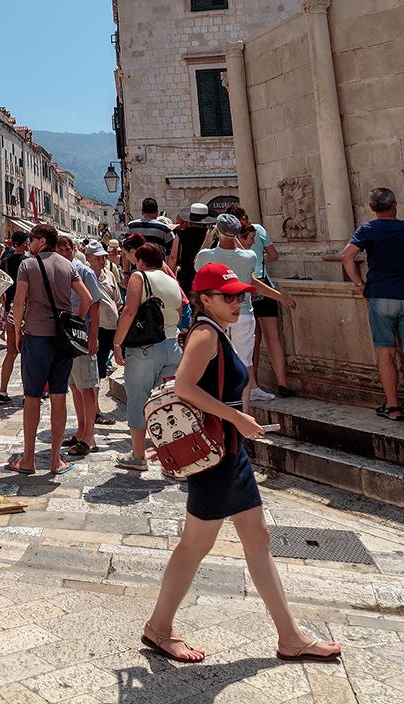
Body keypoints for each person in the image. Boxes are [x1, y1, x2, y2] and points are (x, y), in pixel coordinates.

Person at [139, 263, 341, 666]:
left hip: (231, 453)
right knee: (196, 544)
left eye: (239, 296)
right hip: (215, 457)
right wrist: (237, 419)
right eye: (227, 296)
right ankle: (159, 628)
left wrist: (239, 424)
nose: (236, 302)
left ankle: (290, 637)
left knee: (256, 537)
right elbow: (183, 387)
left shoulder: (217, 332)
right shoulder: (204, 334)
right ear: (204, 299)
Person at [341, 188, 404, 427]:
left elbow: (346, 256)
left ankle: (393, 407)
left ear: (372, 207)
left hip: (382, 296)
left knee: (386, 353)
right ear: (395, 204)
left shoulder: (368, 229)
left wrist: (359, 283)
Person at [7, 222, 90, 475]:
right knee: (58, 396)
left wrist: (19, 330)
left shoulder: (27, 265)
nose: (29, 243)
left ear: (41, 241)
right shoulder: (68, 265)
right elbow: (86, 298)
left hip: (36, 336)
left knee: (32, 397)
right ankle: (55, 460)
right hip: (62, 340)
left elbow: (19, 301)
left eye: (32, 238)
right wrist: (74, 320)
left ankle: (29, 459)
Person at [209, 216, 295, 405]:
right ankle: (244, 412)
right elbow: (254, 281)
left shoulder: (206, 256)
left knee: (220, 360)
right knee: (245, 362)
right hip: (243, 312)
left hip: (217, 315)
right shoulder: (249, 257)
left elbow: (198, 269)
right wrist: (281, 297)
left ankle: (224, 406)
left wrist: (209, 239)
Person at [114, 242, 184, 472]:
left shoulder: (139, 277)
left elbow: (130, 310)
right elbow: (179, 312)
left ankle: (137, 455)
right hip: (173, 347)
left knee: (138, 399)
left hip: (146, 349)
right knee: (165, 403)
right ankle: (171, 456)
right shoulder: (172, 281)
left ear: (141, 261)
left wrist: (118, 342)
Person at [57, 233, 103, 458]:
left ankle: (89, 437)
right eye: (61, 250)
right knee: (75, 387)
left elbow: (95, 304)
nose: (65, 253)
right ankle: (81, 430)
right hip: (68, 339)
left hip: (82, 336)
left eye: (68, 249)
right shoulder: (60, 272)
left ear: (74, 249)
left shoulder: (83, 271)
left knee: (86, 387)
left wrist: (93, 337)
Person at [0, 231, 28, 403]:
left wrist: (5, 305)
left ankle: (2, 391)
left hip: (10, 310)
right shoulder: (27, 262)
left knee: (10, 353)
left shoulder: (5, 262)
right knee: (26, 354)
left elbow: (1, 287)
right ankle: (26, 393)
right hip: (24, 310)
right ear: (24, 244)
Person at [85, 239, 121, 380]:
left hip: (114, 325)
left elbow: (117, 300)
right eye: (98, 258)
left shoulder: (109, 274)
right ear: (89, 258)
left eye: (103, 257)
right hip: (98, 327)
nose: (102, 261)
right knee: (99, 364)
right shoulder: (85, 276)